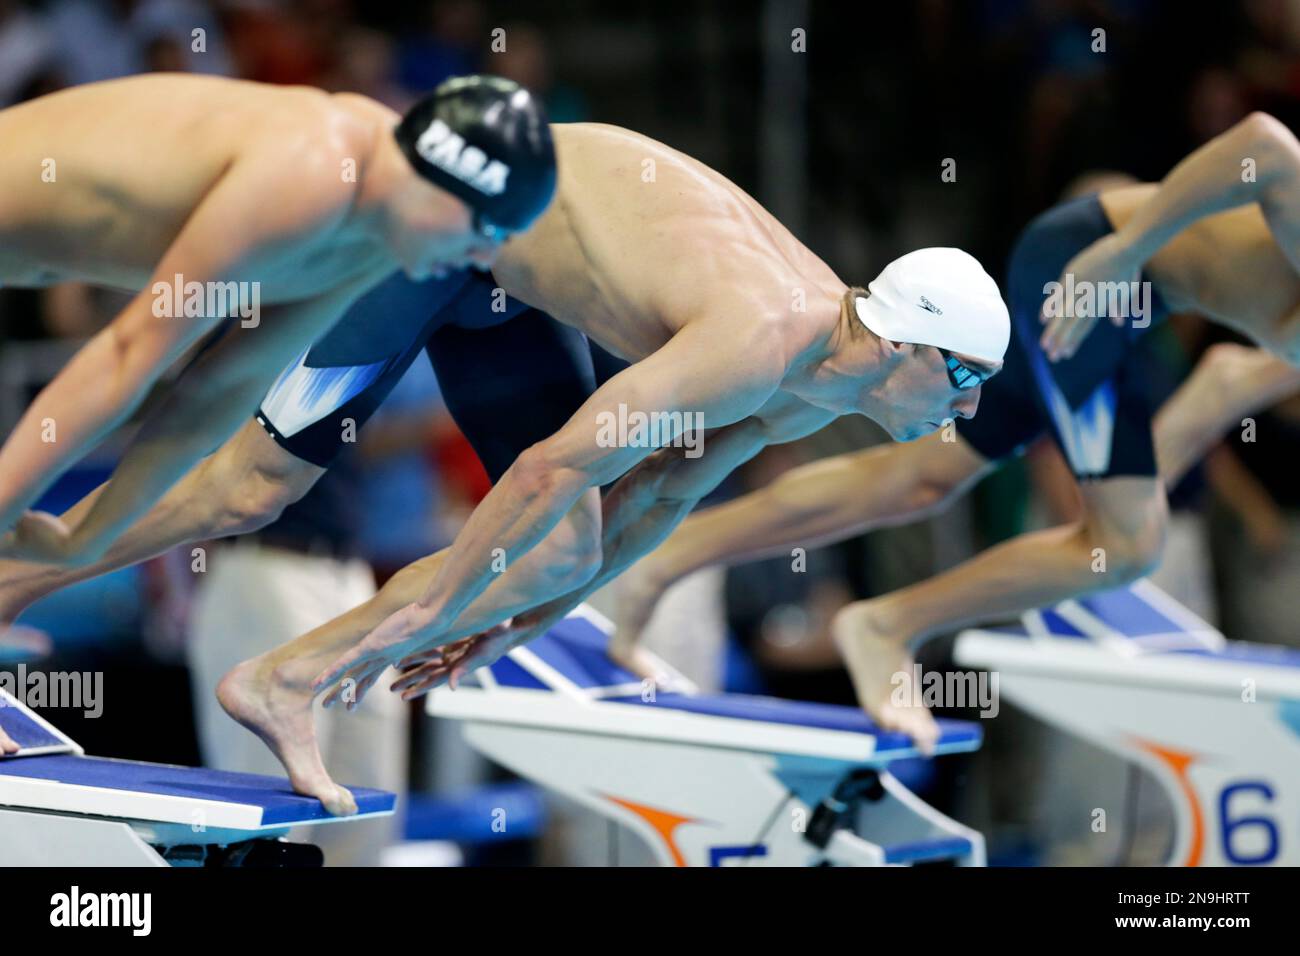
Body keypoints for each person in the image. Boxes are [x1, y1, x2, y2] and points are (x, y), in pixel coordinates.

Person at [0, 119, 1012, 809]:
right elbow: (542, 469)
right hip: (438, 231)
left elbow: (655, 501)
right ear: (901, 343)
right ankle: (17, 579)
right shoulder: (762, 336)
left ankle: (286, 675)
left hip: (511, 286)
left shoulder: (820, 380)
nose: (968, 408)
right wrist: (427, 617)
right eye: (964, 378)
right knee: (251, 485)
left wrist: (514, 617)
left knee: (567, 552)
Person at [609, 111, 1300, 751]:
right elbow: (1265, 144)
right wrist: (1124, 250)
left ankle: (667, 555)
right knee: (1127, 545)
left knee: (921, 481)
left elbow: (1230, 374)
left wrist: (1222, 383)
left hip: (1117, 303)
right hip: (1086, 273)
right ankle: (889, 625)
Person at [0, 72, 554, 567]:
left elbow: (221, 389)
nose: (486, 258)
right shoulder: (315, 168)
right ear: (446, 179)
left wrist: (89, 537)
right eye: (492, 229)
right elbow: (129, 353)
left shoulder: (371, 241)